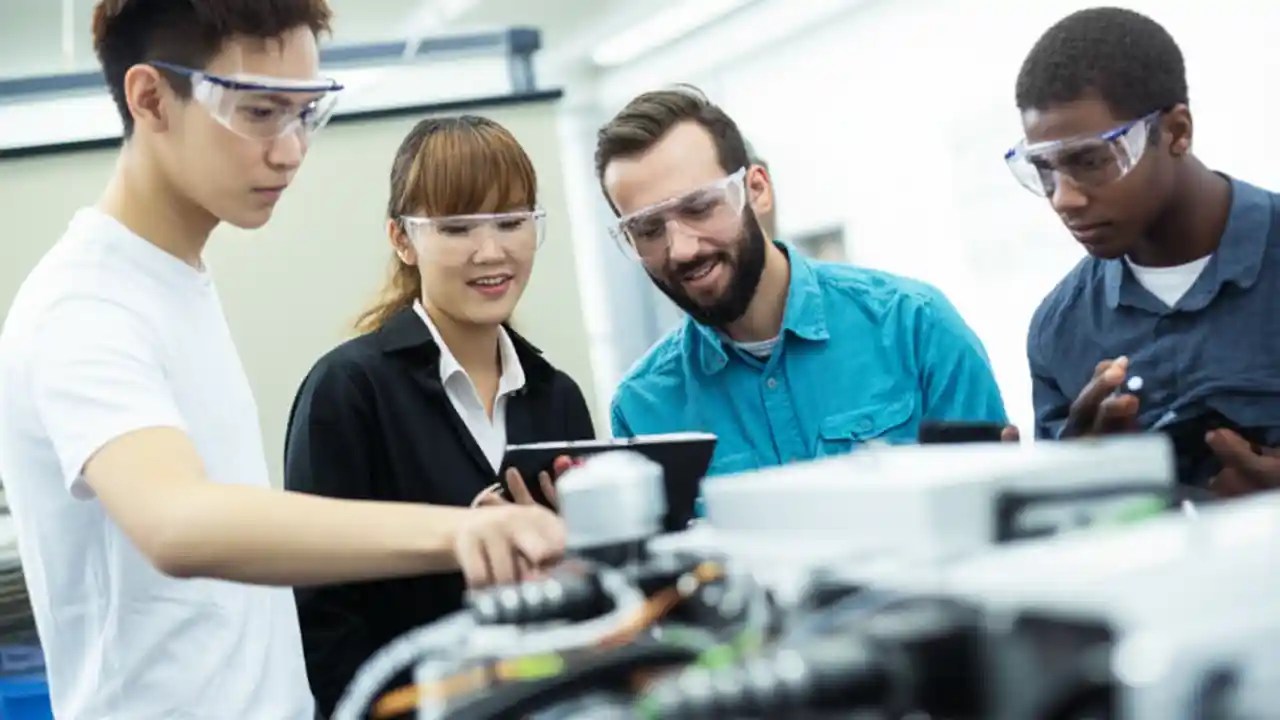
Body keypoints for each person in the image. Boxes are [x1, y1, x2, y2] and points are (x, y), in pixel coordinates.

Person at [0, 3, 563, 718]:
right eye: (260, 112)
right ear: (151, 99)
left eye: (303, 113)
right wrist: (461, 532)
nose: (291, 149)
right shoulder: (85, 305)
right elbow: (177, 523)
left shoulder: (174, 282)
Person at [284, 114, 596, 715]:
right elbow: (321, 616)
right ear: (402, 240)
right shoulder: (349, 391)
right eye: (456, 228)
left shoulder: (557, 397)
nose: (491, 251)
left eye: (511, 221)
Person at [594, 87, 1007, 475]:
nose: (682, 250)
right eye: (648, 229)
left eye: (700, 207)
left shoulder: (915, 326)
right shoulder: (641, 410)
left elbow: (992, 507)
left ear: (757, 190)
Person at [1009, 8, 1280, 496]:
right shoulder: (1060, 331)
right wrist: (1078, 482)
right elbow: (1071, 527)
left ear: (1176, 132)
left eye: (1091, 160)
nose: (1063, 198)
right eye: (1044, 170)